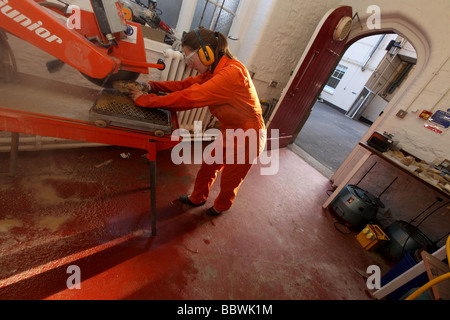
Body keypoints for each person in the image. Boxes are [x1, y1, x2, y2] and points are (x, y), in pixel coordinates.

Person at [130, 27, 266, 216]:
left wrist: (145, 100)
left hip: (249, 135)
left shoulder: (231, 74)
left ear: (207, 53)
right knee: (208, 166)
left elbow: (188, 98)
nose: (189, 64)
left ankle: (221, 206)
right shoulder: (216, 70)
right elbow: (185, 85)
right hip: (231, 129)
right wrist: (153, 86)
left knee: (230, 180)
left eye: (190, 58)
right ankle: (198, 198)